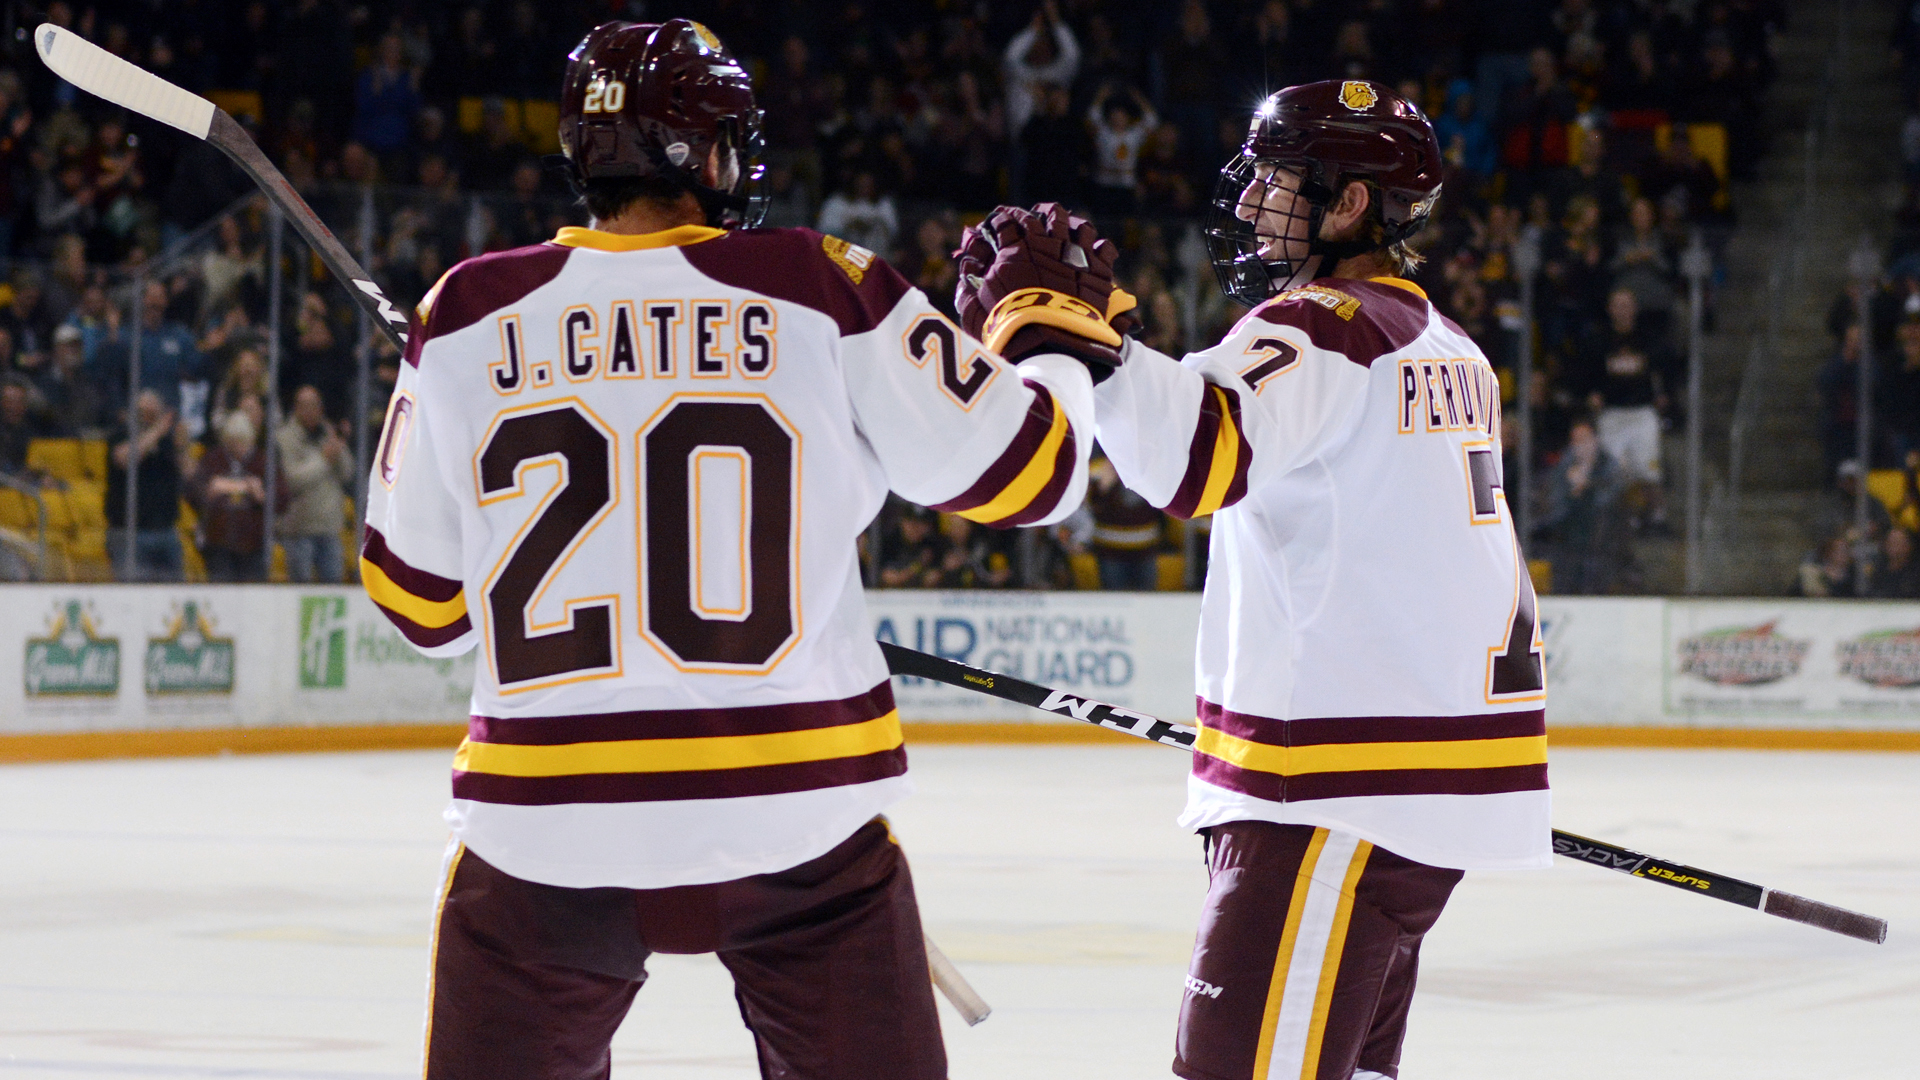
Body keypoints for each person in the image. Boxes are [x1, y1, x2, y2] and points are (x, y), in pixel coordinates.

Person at [361, 21, 1093, 1079]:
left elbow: (419, 611)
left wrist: (462, 401)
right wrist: (1040, 334)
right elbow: (1037, 477)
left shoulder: (466, 310)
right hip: (793, 817)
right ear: (708, 154)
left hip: (547, 827)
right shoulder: (817, 281)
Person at [957, 81, 1548, 1080]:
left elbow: (1202, 458)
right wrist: (1106, 350)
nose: (1247, 206)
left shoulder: (1325, 325)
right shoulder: (1453, 348)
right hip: (1404, 790)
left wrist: (1081, 346)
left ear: (1350, 201)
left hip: (1334, 796)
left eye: (1274, 182)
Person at [106, 388, 189, 581]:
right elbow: (125, 458)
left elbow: (188, 473)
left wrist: (183, 446)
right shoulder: (120, 435)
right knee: (135, 596)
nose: (148, 418)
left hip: (166, 530)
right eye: (143, 413)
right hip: (129, 532)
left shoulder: (168, 441)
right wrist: (157, 432)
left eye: (154, 413)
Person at [276, 384, 353, 583]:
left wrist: (339, 449)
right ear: (296, 408)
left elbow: (347, 474)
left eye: (315, 405)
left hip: (330, 527)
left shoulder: (328, 432)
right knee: (301, 590)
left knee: (334, 588)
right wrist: (324, 459)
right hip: (300, 529)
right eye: (306, 405)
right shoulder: (285, 438)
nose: (311, 411)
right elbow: (292, 479)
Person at [188, 409, 274, 582]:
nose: (237, 448)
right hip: (218, 544)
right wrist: (208, 493)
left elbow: (281, 498)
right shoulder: (213, 459)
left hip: (254, 545)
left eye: (242, 442)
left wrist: (261, 496)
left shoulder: (262, 461)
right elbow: (195, 492)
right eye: (233, 442)